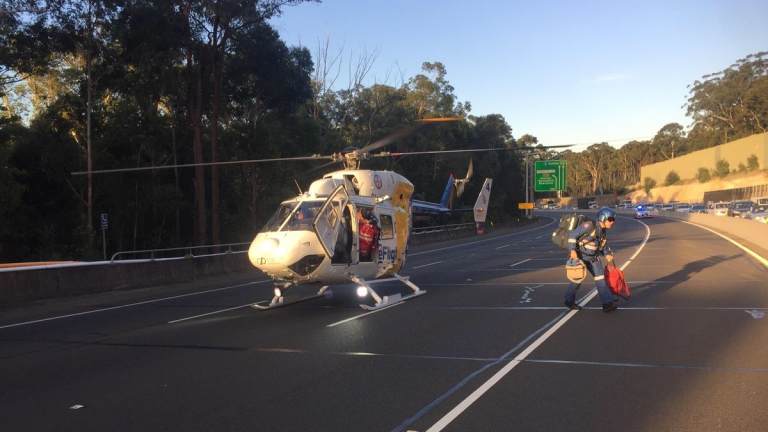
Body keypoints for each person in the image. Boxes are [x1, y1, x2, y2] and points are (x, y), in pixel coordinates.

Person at [564, 207, 619, 312]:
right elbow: (572, 235)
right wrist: (572, 250)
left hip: (593, 258)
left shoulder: (603, 231)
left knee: (600, 280)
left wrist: (607, 254)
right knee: (577, 280)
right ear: (603, 218)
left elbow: (602, 245)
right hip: (580, 257)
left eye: (613, 220)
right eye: (610, 219)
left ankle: (607, 304)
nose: (613, 222)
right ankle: (568, 301)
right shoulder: (589, 225)